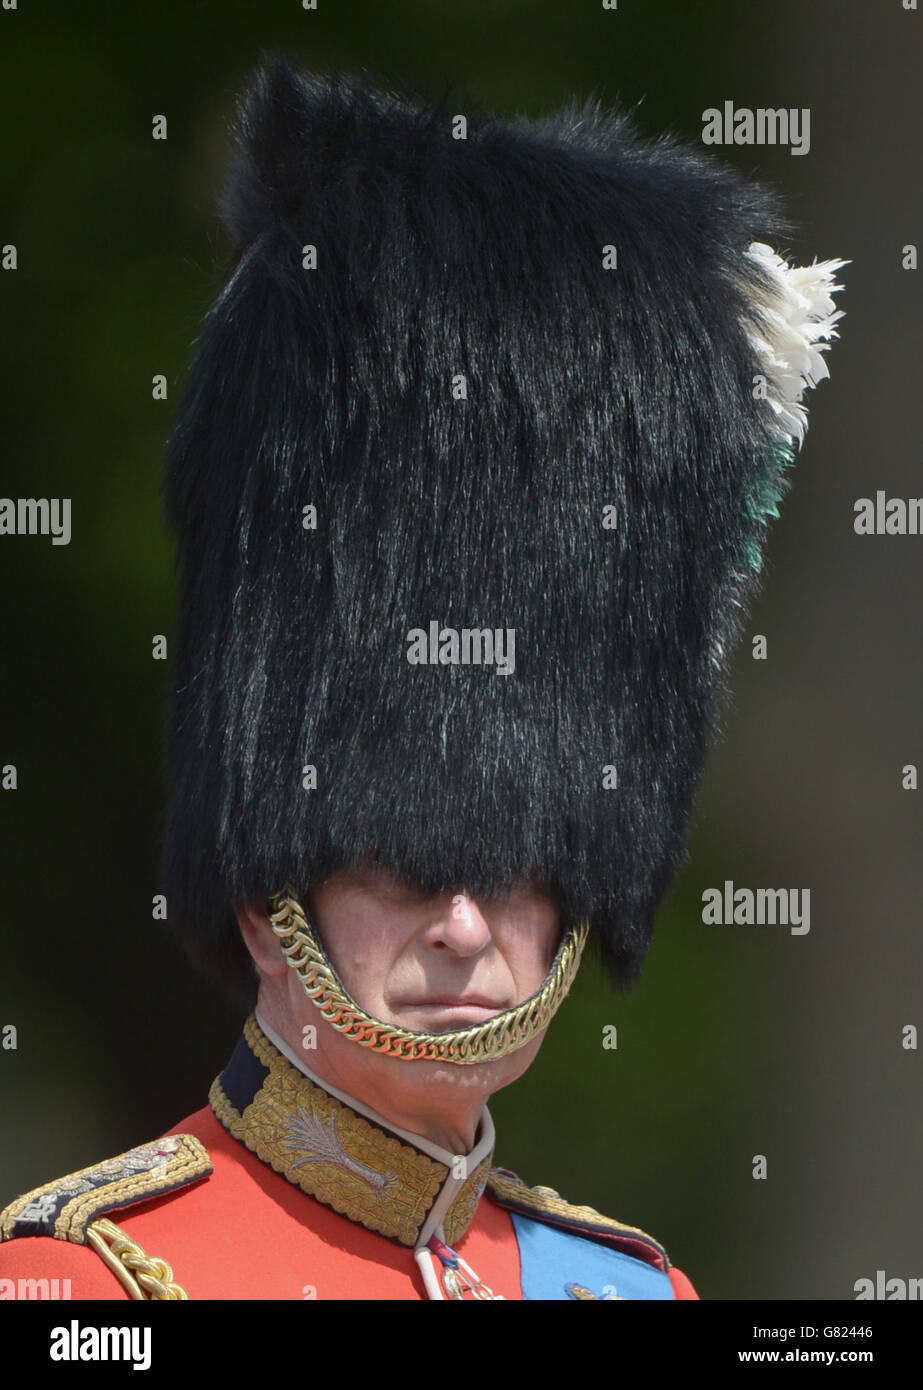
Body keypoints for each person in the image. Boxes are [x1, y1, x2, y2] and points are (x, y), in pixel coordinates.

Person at [0, 53, 844, 1301]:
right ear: (264, 901)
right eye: (400, 863)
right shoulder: (93, 1281)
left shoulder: (624, 1290)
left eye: (507, 864)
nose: (462, 927)